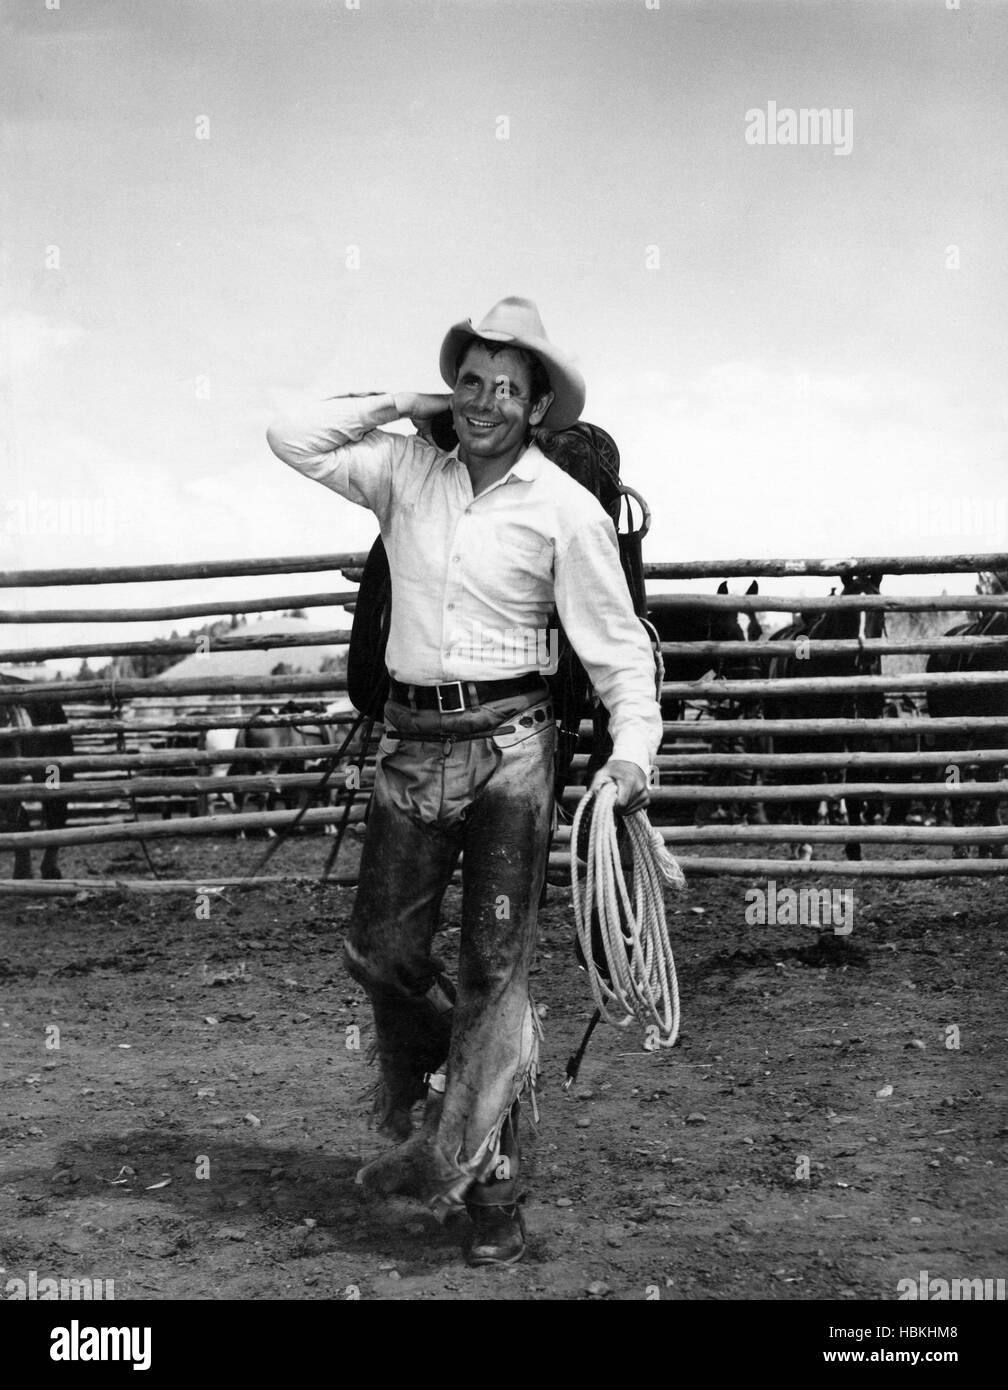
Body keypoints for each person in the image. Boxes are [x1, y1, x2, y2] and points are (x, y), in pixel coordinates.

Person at [267, 296, 663, 1265]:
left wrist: (631, 754)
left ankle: (485, 1188)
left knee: (497, 971)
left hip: (512, 749)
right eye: (472, 381)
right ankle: (473, 1083)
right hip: (411, 743)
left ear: (537, 409)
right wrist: (410, 399)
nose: (485, 402)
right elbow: (289, 433)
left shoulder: (566, 512)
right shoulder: (405, 471)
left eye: (507, 389)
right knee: (379, 954)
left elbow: (618, 654)